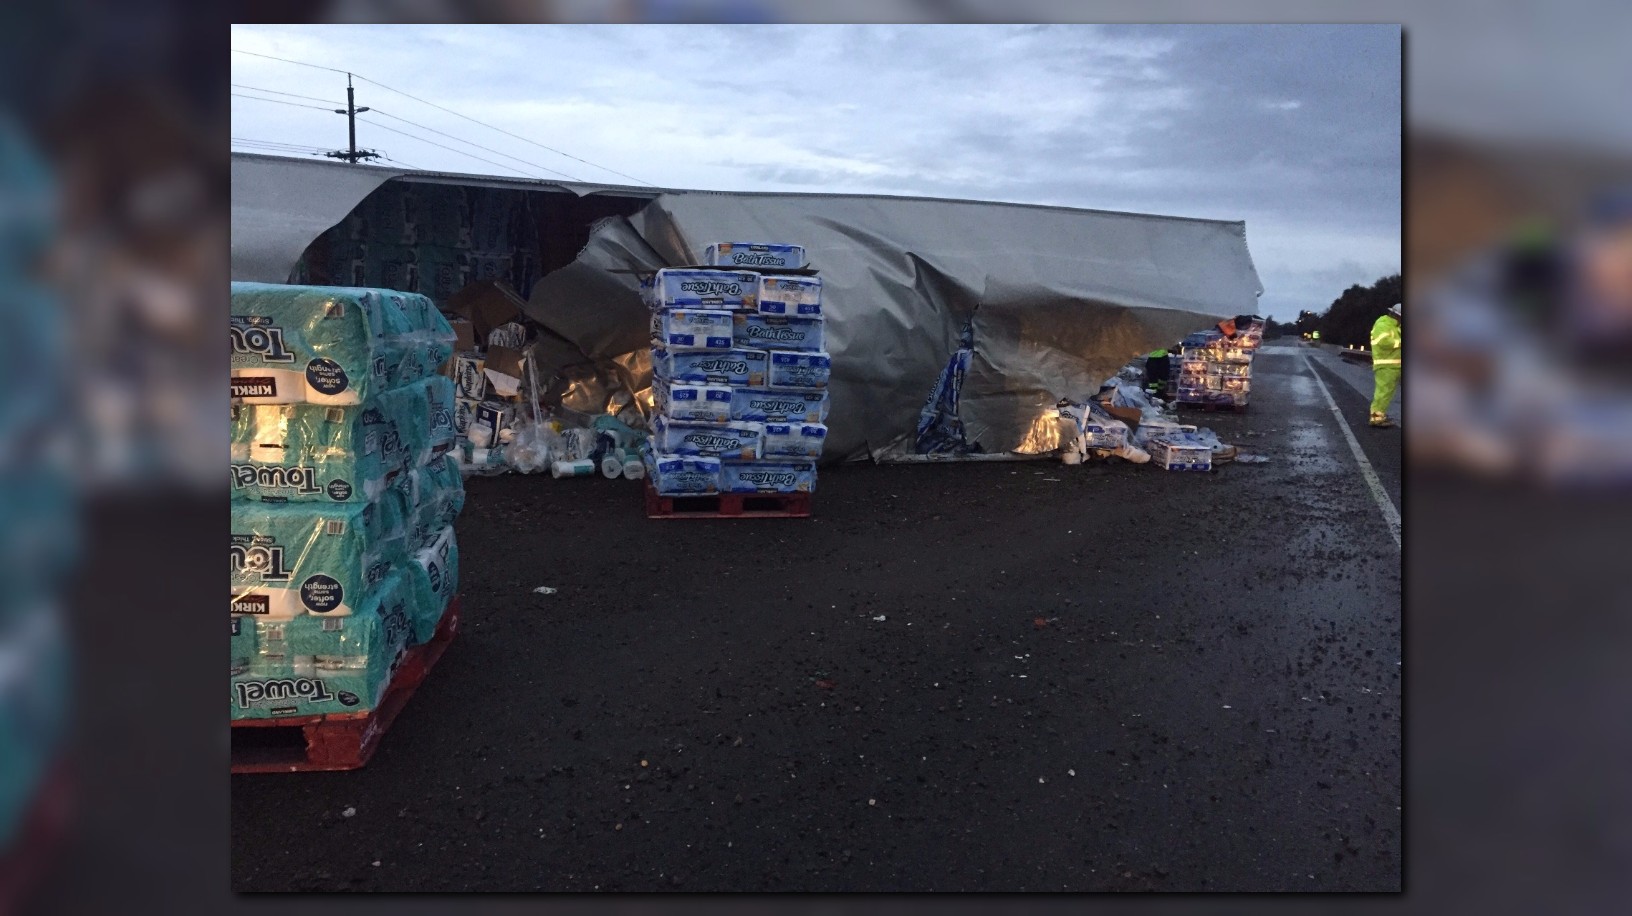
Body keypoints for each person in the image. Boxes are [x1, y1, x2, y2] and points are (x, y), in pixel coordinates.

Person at [1369, 303, 1402, 427]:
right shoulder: (1383, 324)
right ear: (1395, 315)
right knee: (1383, 392)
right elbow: (1383, 342)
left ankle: (1380, 414)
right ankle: (1376, 418)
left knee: (1387, 393)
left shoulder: (1395, 326)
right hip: (1385, 365)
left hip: (1394, 366)